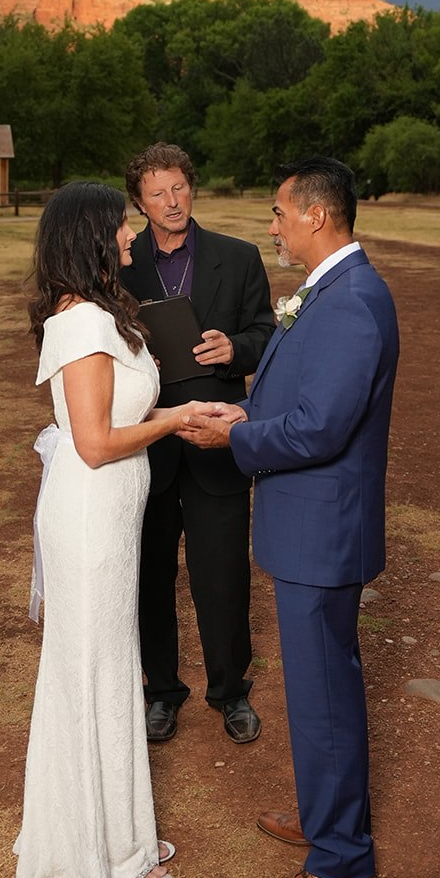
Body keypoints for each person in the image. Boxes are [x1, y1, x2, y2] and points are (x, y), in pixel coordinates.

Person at [181, 156, 399, 878]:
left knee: (323, 697)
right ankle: (324, 812)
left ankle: (341, 862)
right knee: (315, 693)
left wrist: (234, 440)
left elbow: (321, 428)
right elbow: (301, 401)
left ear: (316, 216)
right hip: (306, 523)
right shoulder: (330, 291)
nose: (270, 227)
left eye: (278, 213)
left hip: (322, 531)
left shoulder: (350, 302)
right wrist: (245, 414)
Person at [13, 181, 206, 878]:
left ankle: (115, 833)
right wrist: (175, 422)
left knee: (106, 667)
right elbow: (95, 444)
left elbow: (117, 417)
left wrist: (182, 414)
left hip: (111, 513)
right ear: (91, 237)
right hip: (90, 518)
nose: (131, 239)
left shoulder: (99, 313)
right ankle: (103, 848)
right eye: (121, 230)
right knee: (92, 671)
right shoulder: (81, 321)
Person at [121, 144, 274, 745]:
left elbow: (268, 332)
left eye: (179, 188)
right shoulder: (122, 264)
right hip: (148, 443)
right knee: (150, 577)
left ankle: (230, 692)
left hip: (216, 442)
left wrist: (236, 348)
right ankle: (161, 692)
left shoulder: (239, 258)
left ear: (193, 188)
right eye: (157, 194)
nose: (172, 201)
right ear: (139, 202)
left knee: (224, 575)